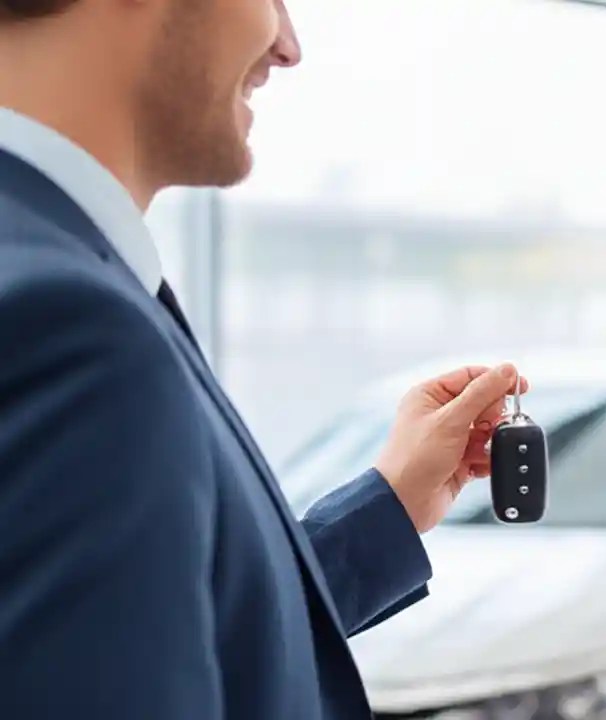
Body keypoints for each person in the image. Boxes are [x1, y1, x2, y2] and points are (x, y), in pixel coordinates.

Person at [0, 0, 526, 717]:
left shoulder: (48, 276)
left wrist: (390, 506)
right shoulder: (73, 334)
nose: (287, 45)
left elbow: (176, 638)